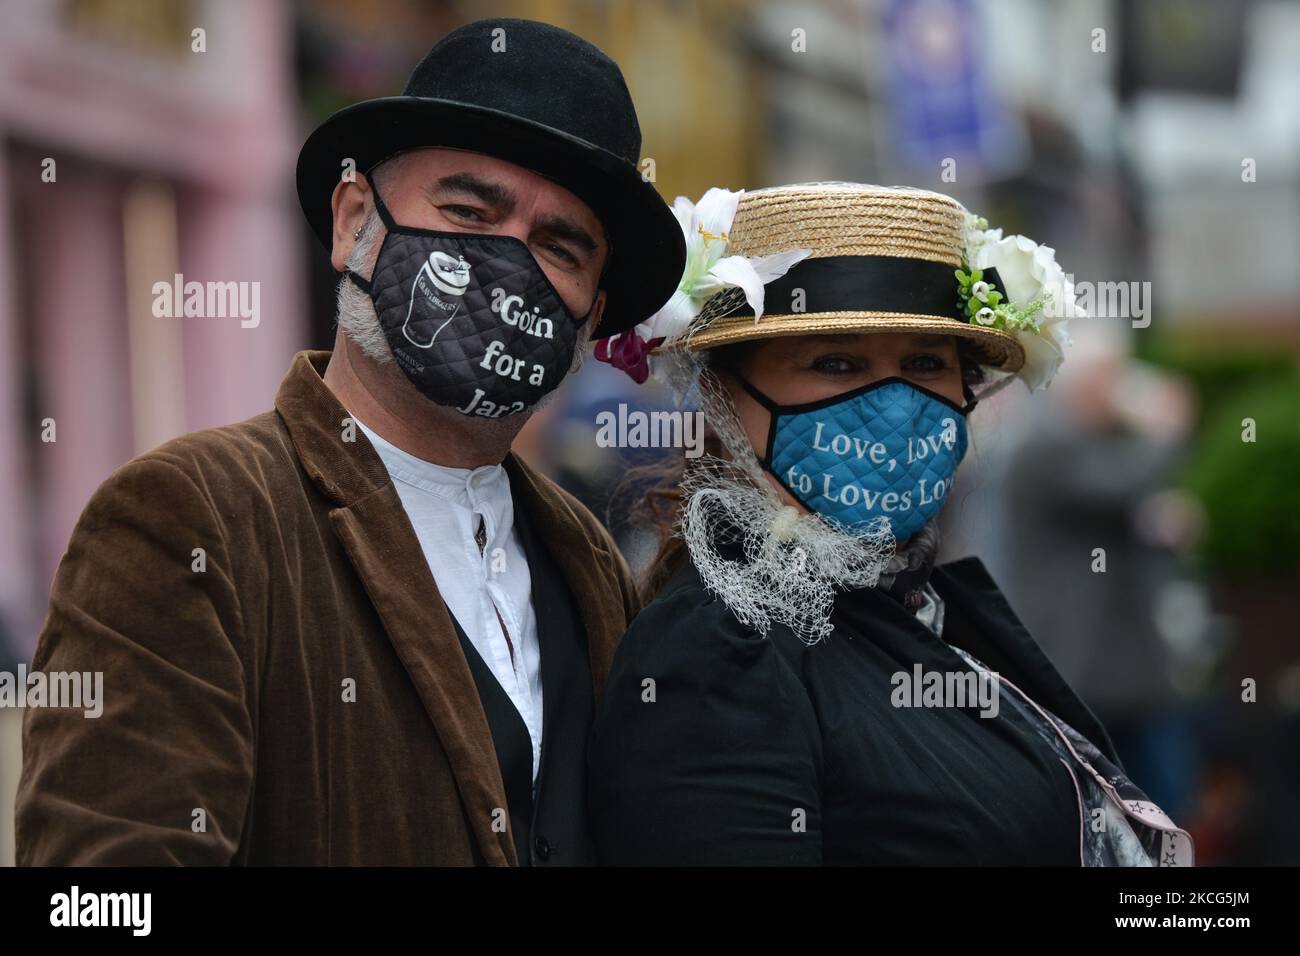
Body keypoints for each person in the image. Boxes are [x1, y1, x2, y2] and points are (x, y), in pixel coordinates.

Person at [16, 18, 685, 866]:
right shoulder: (194, 517)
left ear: (592, 312)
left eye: (560, 245)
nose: (507, 261)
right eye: (468, 209)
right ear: (354, 221)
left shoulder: (585, 558)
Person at [587, 182, 1194, 866]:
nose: (895, 404)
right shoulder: (721, 648)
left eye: (925, 363)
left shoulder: (907, 606)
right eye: (837, 362)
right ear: (725, 396)